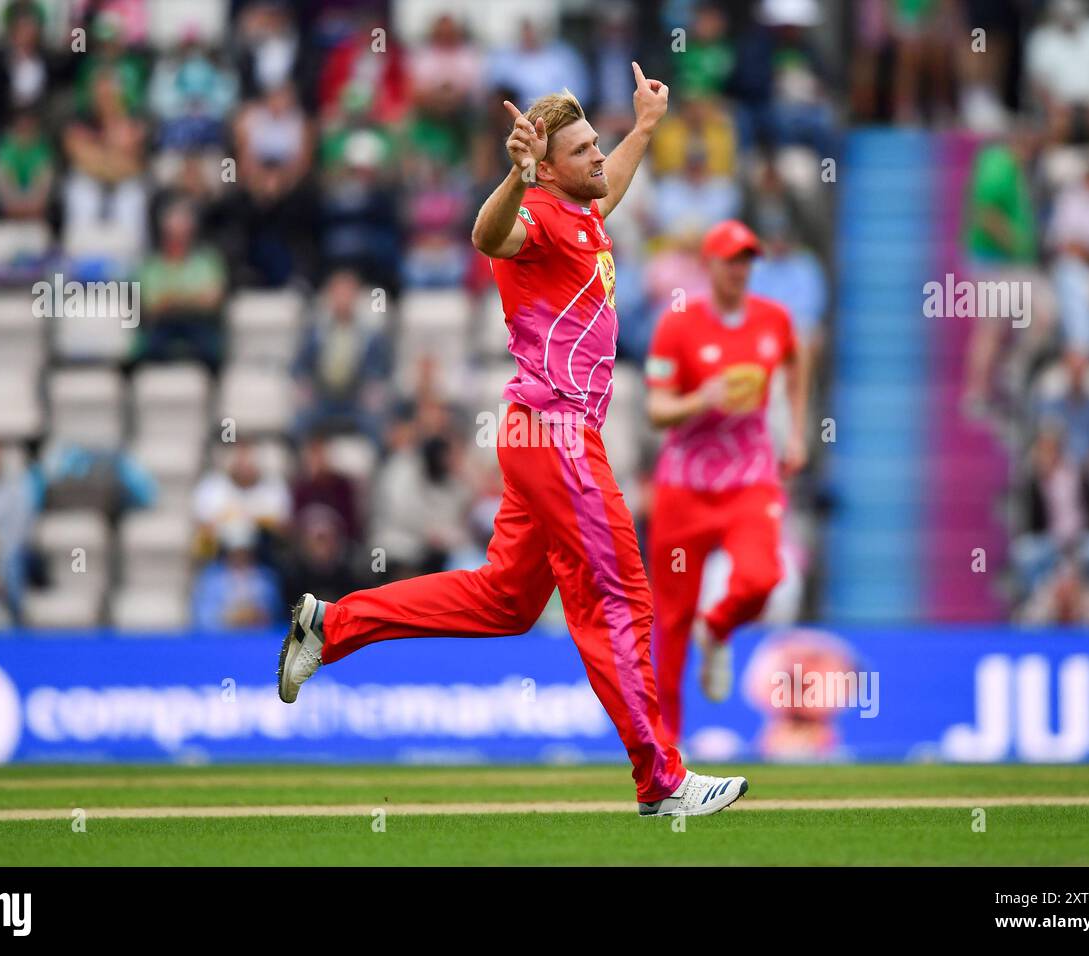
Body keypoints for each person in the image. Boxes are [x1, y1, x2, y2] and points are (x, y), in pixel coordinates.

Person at [274, 64, 747, 818]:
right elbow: (486, 234)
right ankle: (661, 782)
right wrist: (512, 175)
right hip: (554, 432)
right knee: (619, 595)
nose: (600, 156)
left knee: (505, 600)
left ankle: (331, 625)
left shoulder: (584, 211)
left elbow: (612, 184)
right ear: (549, 167)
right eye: (585, 149)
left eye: (598, 143)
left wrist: (646, 126)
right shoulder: (532, 217)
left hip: (540, 436)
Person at [644, 220, 808, 742]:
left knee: (762, 578)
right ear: (709, 265)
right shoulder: (677, 323)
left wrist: (797, 432)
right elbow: (656, 409)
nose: (739, 269)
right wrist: (701, 399)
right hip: (684, 485)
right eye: (730, 260)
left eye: (746, 260)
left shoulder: (773, 320)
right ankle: (666, 755)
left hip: (750, 477)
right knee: (670, 622)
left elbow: (795, 363)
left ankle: (716, 630)